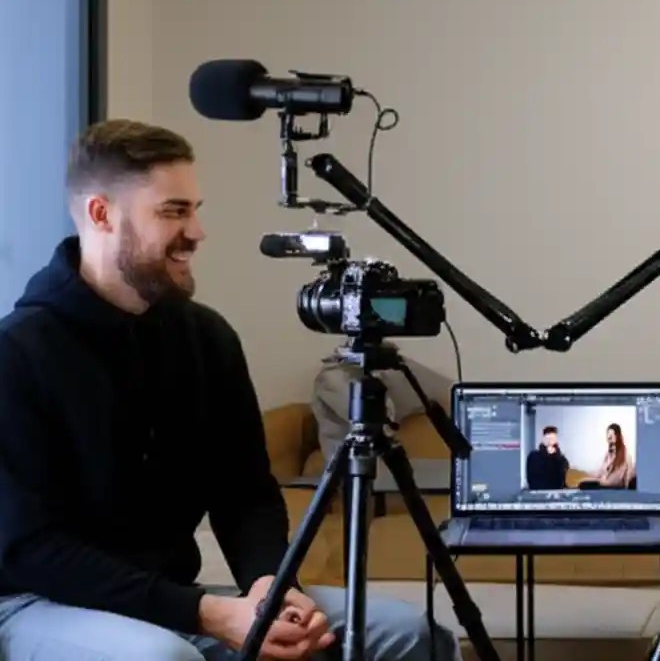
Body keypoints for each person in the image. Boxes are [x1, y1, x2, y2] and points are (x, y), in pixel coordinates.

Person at [0, 119, 461, 661]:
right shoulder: (18, 354)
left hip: (176, 600)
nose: (197, 232)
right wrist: (209, 614)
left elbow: (245, 492)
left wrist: (270, 584)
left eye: (196, 209)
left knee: (412, 634)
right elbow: (30, 549)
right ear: (101, 214)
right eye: (173, 211)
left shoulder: (205, 337)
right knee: (161, 658)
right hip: (39, 601)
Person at [583, 423, 635, 489]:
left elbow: (622, 479)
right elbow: (599, 472)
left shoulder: (626, 456)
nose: (609, 437)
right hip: (605, 485)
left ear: (618, 436)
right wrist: (585, 475)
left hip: (615, 488)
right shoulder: (607, 455)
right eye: (608, 434)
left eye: (612, 435)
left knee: (586, 485)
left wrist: (600, 481)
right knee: (584, 483)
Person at [526, 425, 570, 490]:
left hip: (557, 493)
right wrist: (547, 455)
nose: (550, 441)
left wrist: (556, 456)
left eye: (552, 438)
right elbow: (532, 476)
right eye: (548, 438)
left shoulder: (561, 458)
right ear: (543, 439)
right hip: (538, 493)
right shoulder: (534, 456)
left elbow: (564, 476)